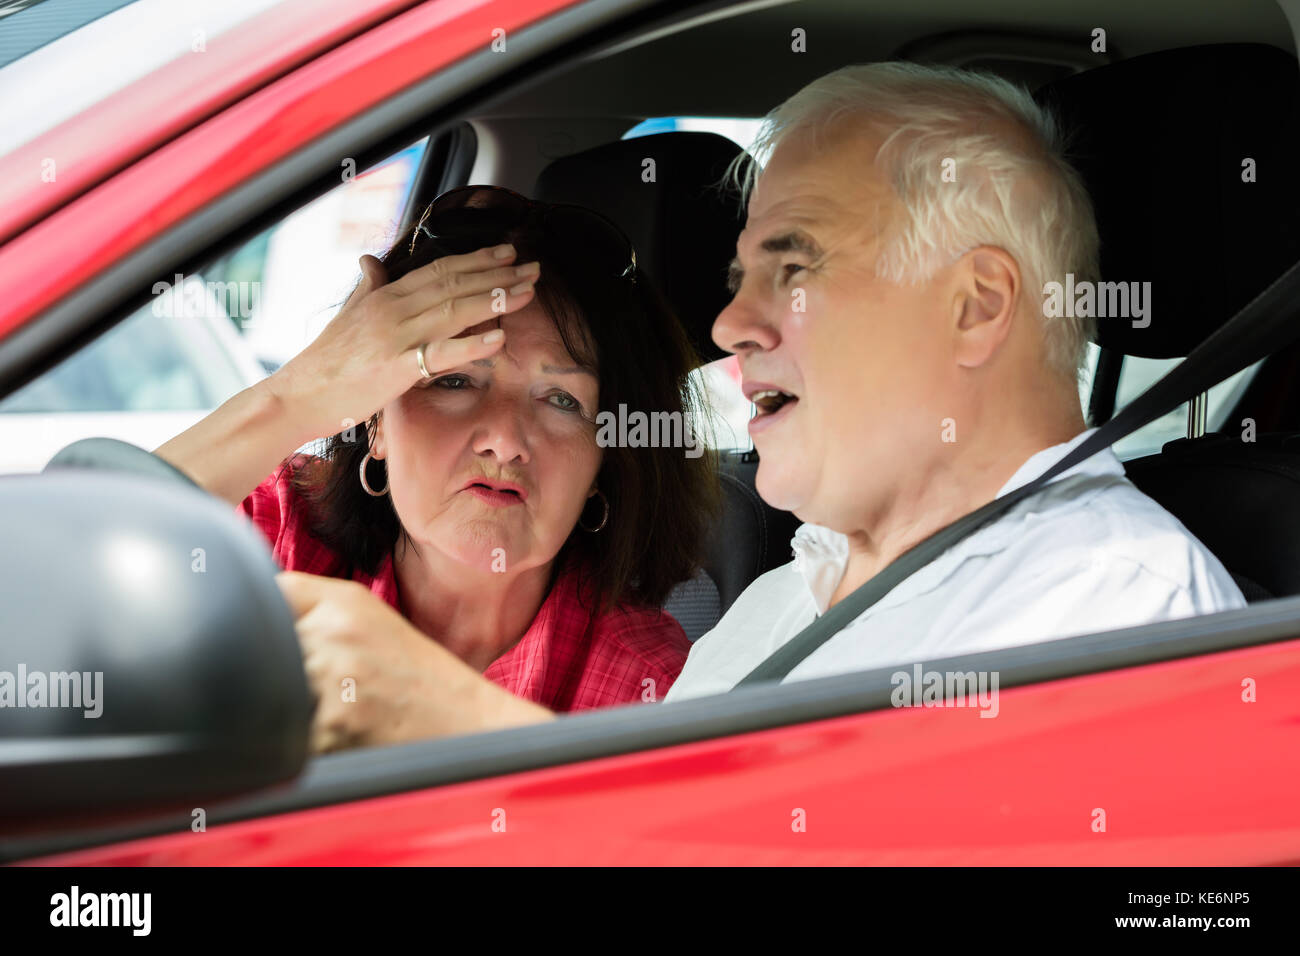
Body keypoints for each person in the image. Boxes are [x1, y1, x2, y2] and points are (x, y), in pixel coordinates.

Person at [264, 61, 1247, 742]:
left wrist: (464, 729)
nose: (730, 323)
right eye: (738, 274)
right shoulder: (781, 601)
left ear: (976, 303)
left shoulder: (1121, 618)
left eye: (794, 263)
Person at [154, 186, 717, 750]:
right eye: (453, 379)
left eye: (562, 400)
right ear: (374, 421)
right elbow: (73, 565)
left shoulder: (649, 689)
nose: (504, 441)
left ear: (605, 464)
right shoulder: (269, 532)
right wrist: (291, 399)